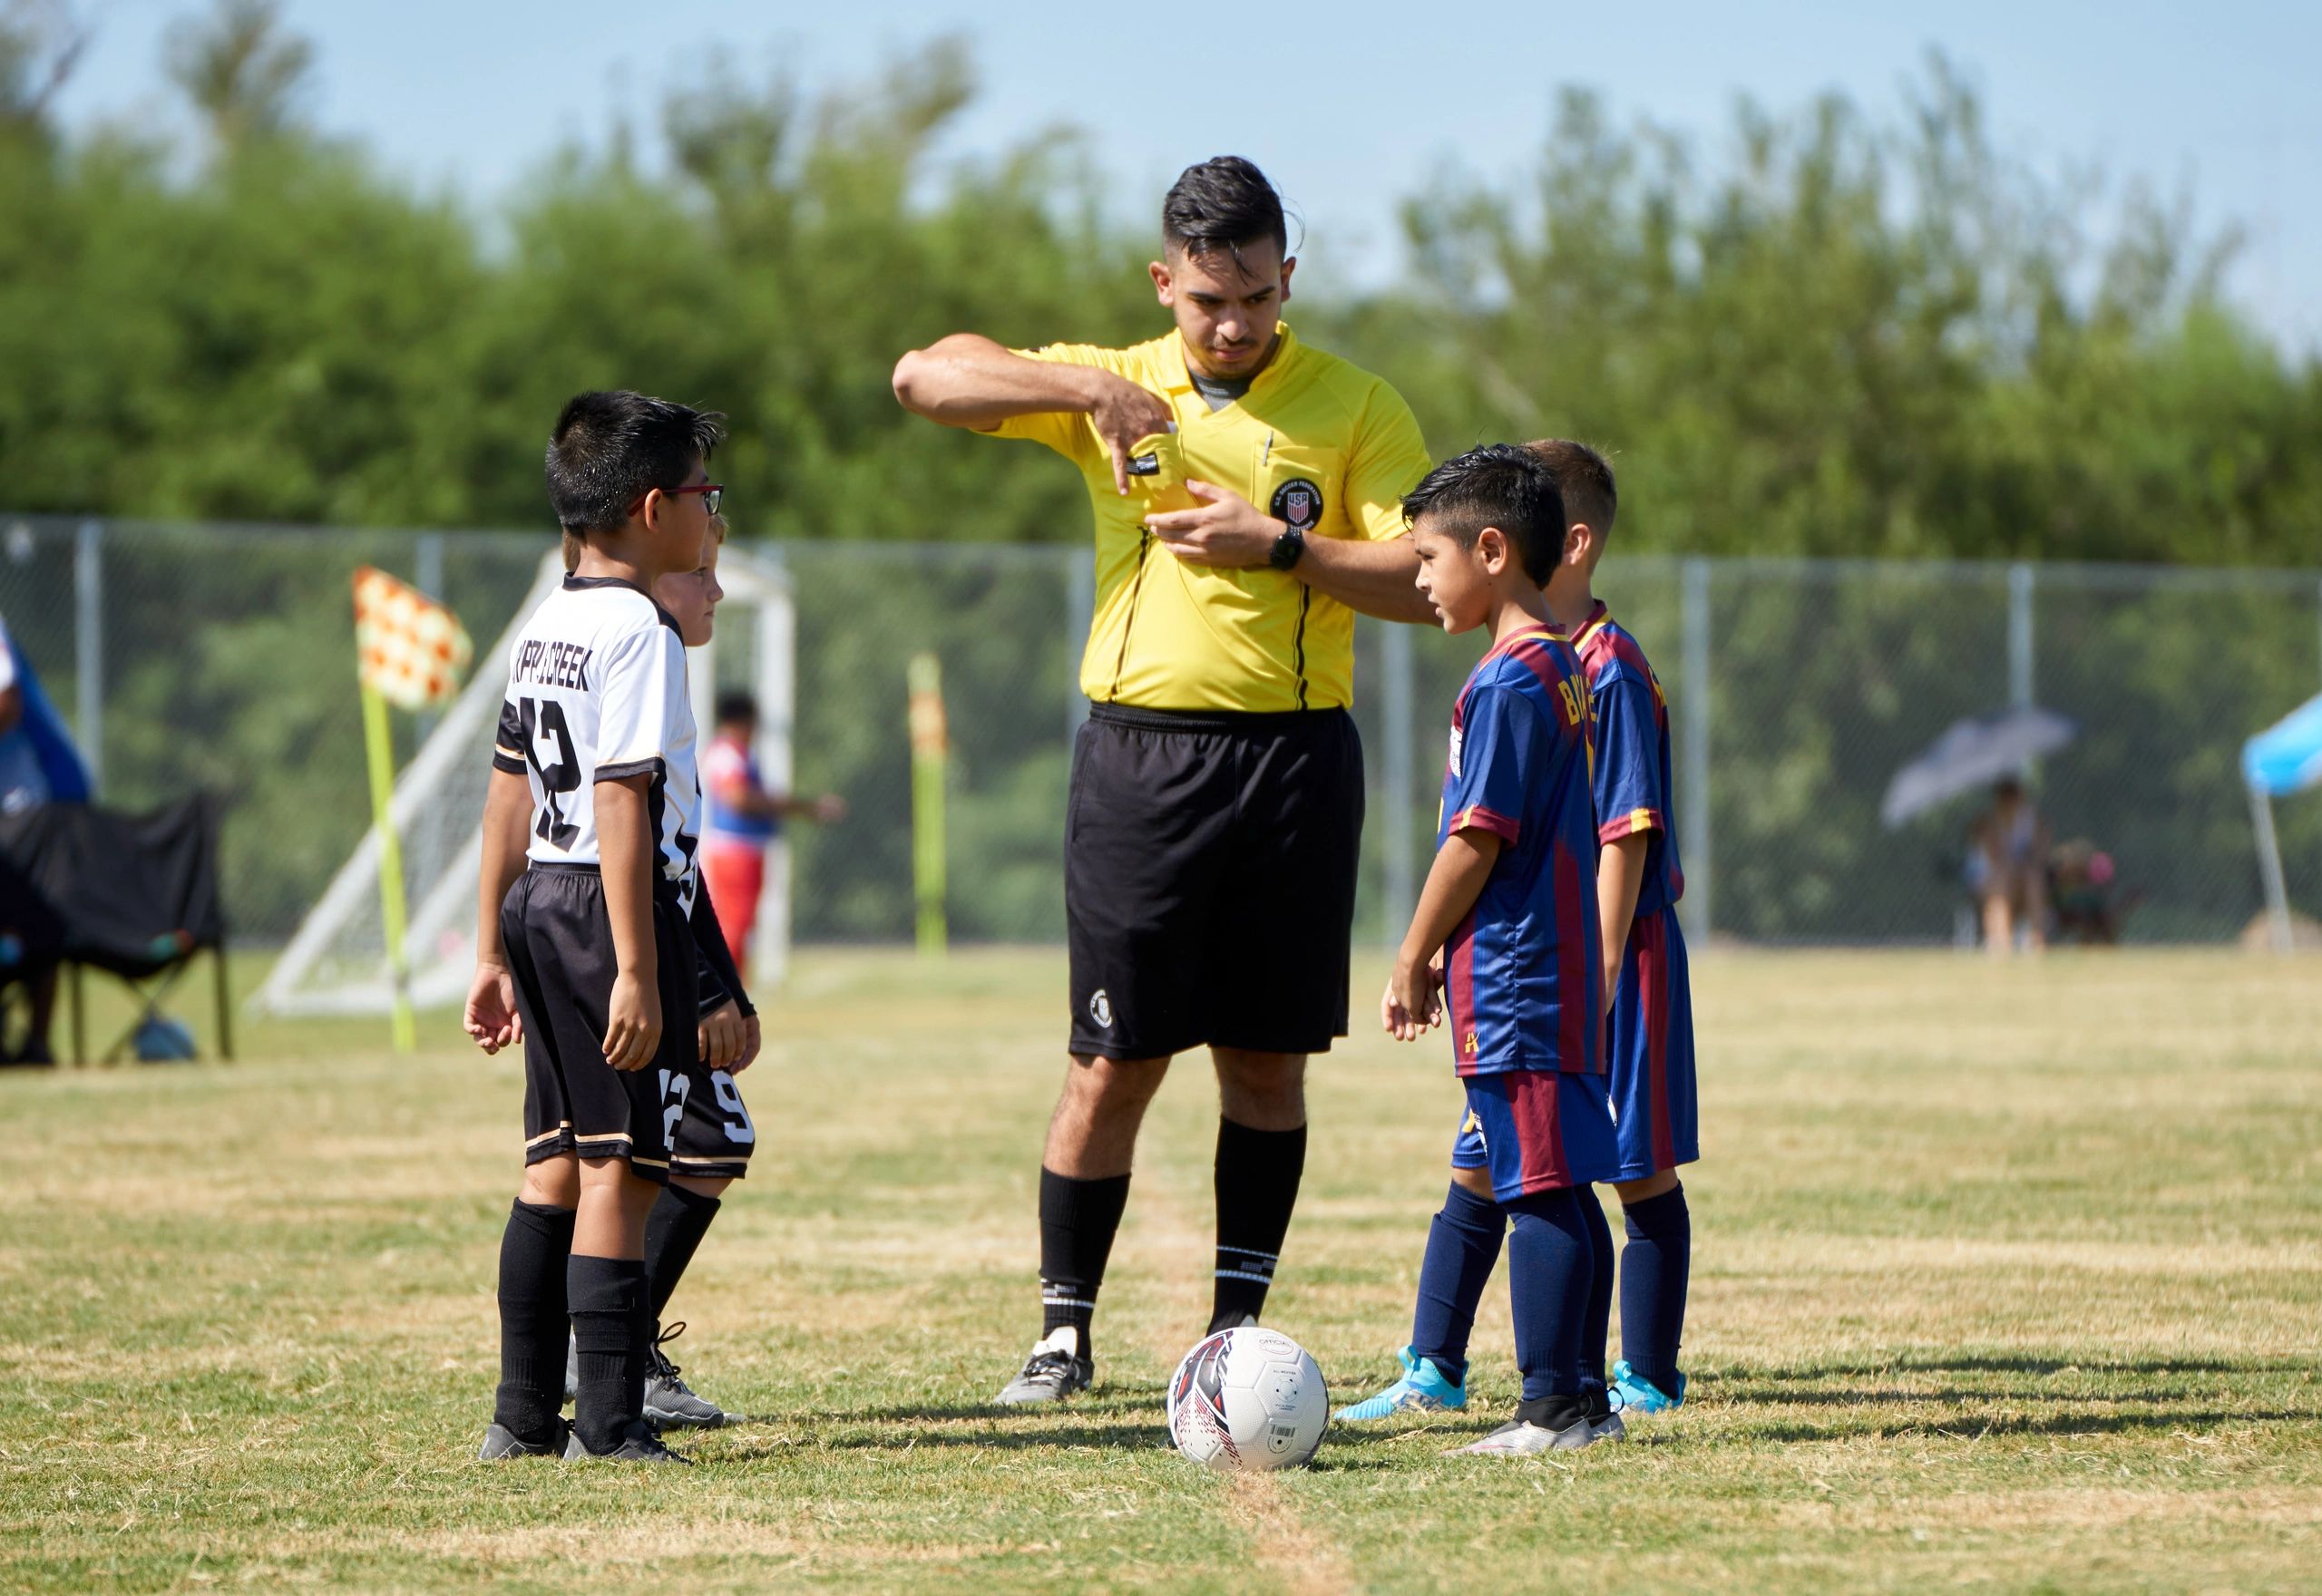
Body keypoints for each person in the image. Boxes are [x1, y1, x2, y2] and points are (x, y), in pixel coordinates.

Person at [892, 156, 1439, 1404]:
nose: (1234, 324)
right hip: (1140, 758)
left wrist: (1283, 545)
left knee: (1264, 1065)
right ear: (1165, 284)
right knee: (1114, 1061)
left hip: (1295, 762)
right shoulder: (1115, 386)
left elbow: (1424, 579)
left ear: (1288, 276)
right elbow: (923, 375)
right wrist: (1091, 386)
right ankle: (1062, 1333)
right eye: (1207, 300)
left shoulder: (1355, 407)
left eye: (1255, 294)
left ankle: (1232, 1336)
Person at [464, 389, 724, 1465]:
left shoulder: (546, 625)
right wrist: (636, 965)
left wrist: (488, 946)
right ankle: (612, 1425)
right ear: (653, 507)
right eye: (709, 496)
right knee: (625, 1169)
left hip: (537, 904)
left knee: (554, 1166)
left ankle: (521, 1416)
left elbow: (506, 795)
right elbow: (622, 799)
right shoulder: (637, 631)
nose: (717, 516)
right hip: (606, 907)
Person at [1357, 443, 1619, 1455]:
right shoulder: (1558, 662)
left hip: (1515, 965)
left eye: (1428, 556)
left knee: (1536, 1185)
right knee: (1555, 1181)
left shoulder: (1511, 680)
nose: (1419, 578)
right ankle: (1584, 1397)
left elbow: (1476, 838)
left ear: (1494, 550)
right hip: (1536, 961)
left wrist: (1411, 952)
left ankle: (1553, 1405)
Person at [541, 517, 764, 1431]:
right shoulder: (645, 659)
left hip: (569, 924)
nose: (712, 589)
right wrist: (700, 985)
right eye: (701, 573)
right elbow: (655, 857)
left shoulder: (625, 655)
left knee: (606, 1156)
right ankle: (606, 1360)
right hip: (616, 941)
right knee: (654, 1151)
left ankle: (555, 1381)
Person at [698, 688, 845, 978]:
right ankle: (723, 989)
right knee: (734, 923)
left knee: (741, 923)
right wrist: (801, 807)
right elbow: (738, 798)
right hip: (733, 850)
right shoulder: (727, 754)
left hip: (742, 849)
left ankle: (733, 985)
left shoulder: (735, 753)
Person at [1967, 777, 2048, 953]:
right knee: (2002, 879)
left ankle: (2036, 939)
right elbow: (1996, 860)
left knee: (2032, 877)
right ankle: (2001, 942)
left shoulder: (2031, 821)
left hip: (2020, 881)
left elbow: (2040, 854)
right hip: (1991, 881)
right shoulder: (1988, 823)